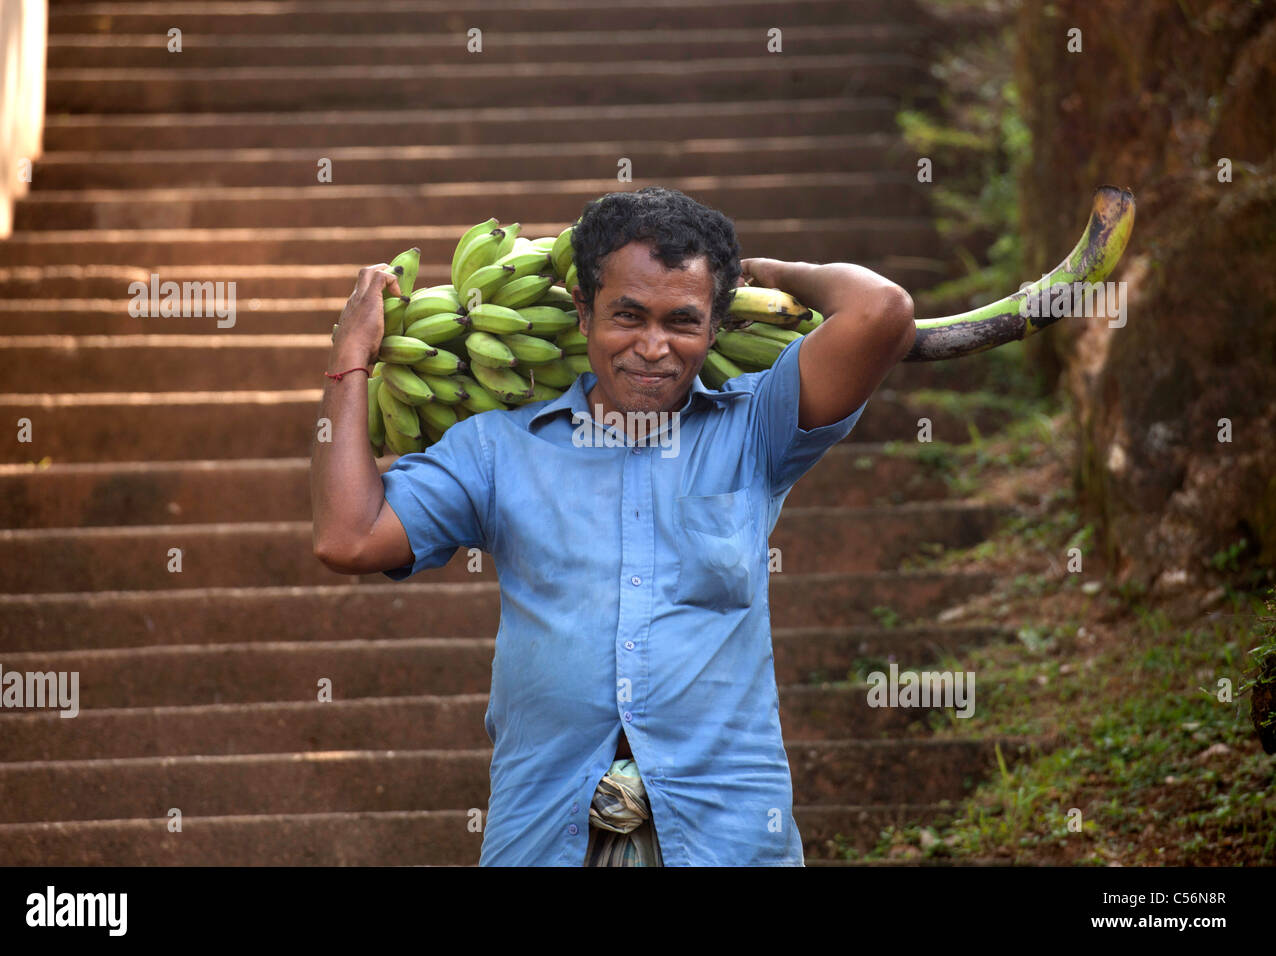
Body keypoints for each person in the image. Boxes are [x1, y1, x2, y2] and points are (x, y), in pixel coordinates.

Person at [311, 186, 916, 866]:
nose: (653, 348)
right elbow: (348, 536)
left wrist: (770, 277)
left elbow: (882, 311)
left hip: (726, 834)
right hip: (545, 833)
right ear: (582, 313)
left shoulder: (756, 429)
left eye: (683, 322)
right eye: (627, 316)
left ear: (715, 327)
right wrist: (353, 354)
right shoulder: (497, 451)